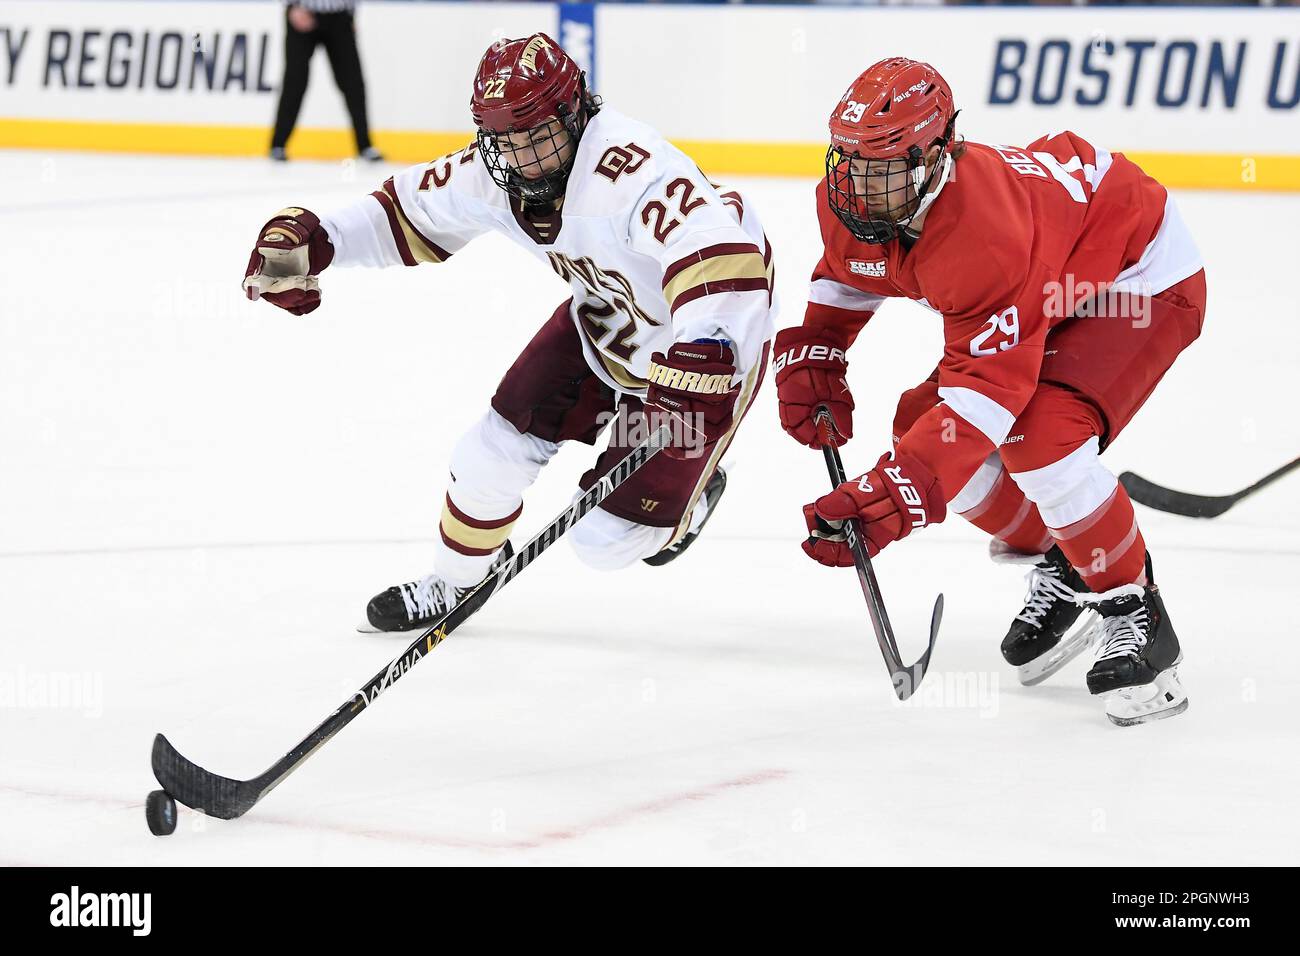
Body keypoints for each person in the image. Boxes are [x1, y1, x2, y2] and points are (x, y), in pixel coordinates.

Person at [244, 34, 774, 631]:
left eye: (537, 137)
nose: (521, 158)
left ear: (575, 113)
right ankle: (454, 583)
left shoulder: (633, 171)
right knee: (487, 454)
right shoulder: (496, 171)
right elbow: (402, 212)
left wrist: (706, 350)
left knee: (603, 540)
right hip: (606, 320)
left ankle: (696, 493)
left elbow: (723, 261)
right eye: (505, 141)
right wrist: (319, 242)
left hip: (706, 344)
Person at [774, 57, 1205, 726]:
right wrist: (821, 347)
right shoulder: (855, 201)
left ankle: (1136, 612)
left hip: (1139, 281)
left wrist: (898, 495)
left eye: (881, 167)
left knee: (1039, 434)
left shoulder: (982, 235)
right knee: (919, 421)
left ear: (935, 158)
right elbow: (851, 271)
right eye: (850, 161)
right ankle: (1074, 554)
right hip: (1057, 267)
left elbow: (988, 396)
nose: (857, 185)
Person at [269, 1, 383, 162]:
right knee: (295, 81)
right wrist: (292, 6)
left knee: (353, 83)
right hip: (302, 11)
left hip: (340, 14)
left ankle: (365, 145)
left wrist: (351, 14)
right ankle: (278, 144)